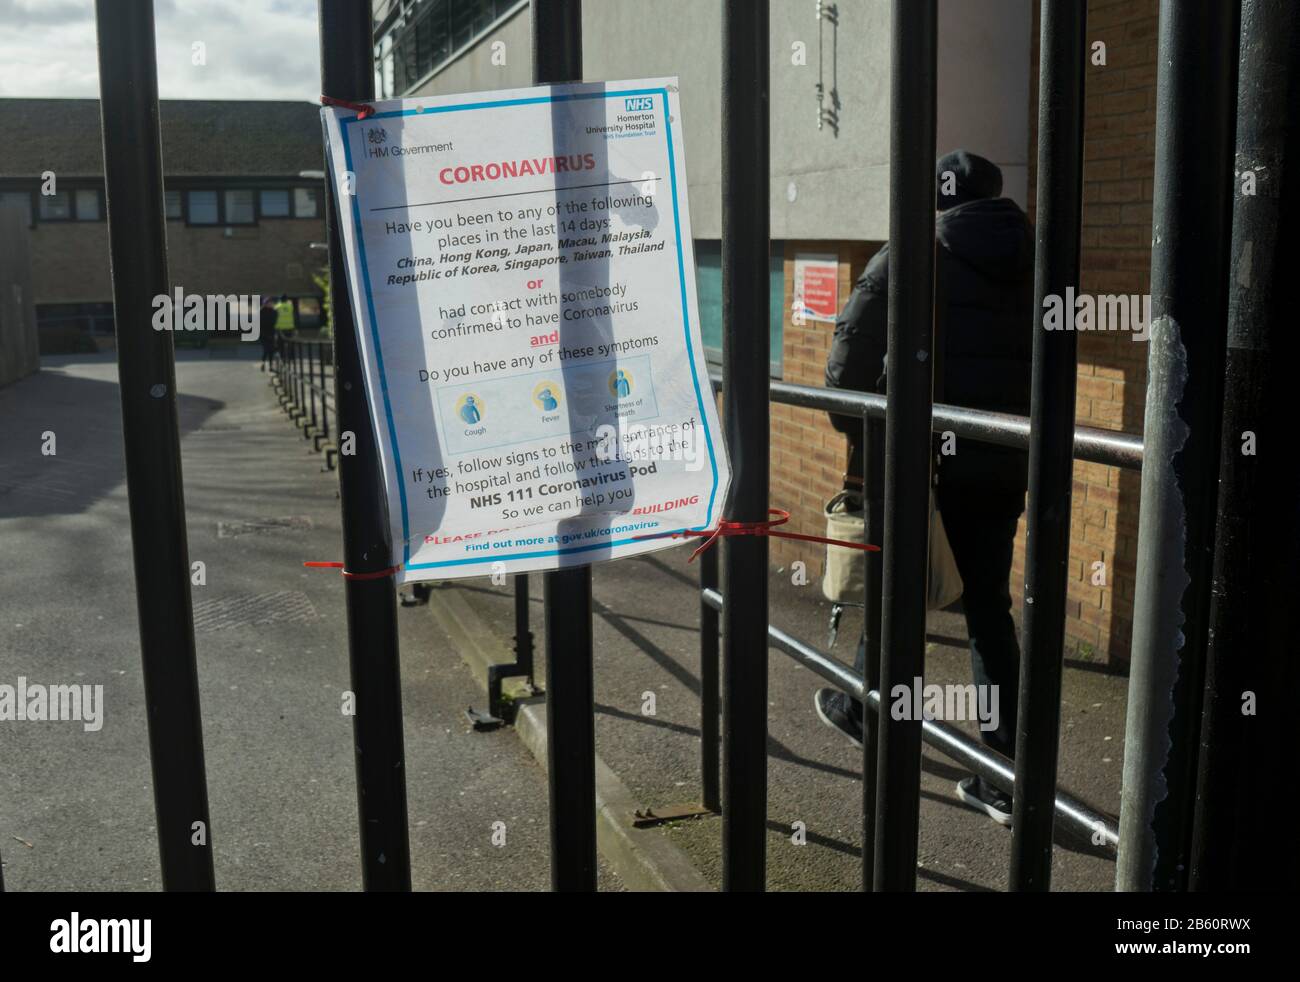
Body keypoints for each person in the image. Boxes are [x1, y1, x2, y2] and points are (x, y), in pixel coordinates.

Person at [813, 150, 1034, 827]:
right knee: (988, 609)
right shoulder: (1036, 261)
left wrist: (862, 432)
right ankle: (1005, 772)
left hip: (918, 467)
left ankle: (868, 714)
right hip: (1002, 461)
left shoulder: (914, 251)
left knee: (895, 593)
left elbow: (847, 361)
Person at [258, 296, 278, 372]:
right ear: (265, 303)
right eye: (268, 303)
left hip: (271, 333)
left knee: (271, 351)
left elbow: (274, 322)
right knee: (266, 349)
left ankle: (270, 366)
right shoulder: (261, 312)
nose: (270, 304)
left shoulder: (274, 312)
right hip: (263, 334)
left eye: (271, 302)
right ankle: (263, 363)